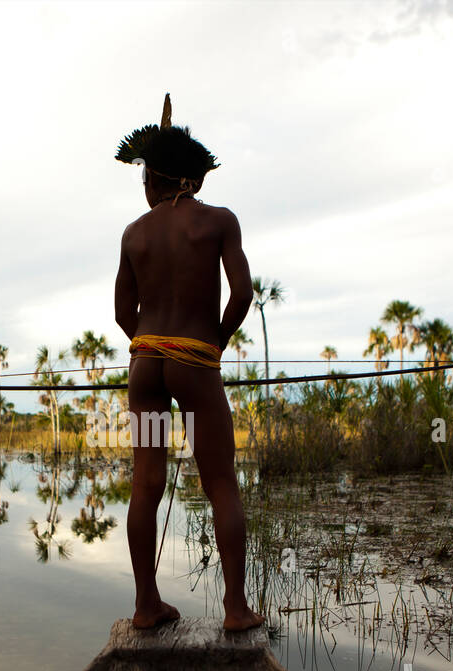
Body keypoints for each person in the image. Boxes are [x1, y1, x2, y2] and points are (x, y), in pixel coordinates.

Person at [112, 94, 266, 632]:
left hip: (144, 366)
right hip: (195, 364)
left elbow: (120, 313)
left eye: (146, 180)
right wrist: (210, 345)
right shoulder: (219, 222)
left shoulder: (133, 234)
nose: (144, 189)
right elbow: (242, 293)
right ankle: (235, 609)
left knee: (144, 483)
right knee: (221, 483)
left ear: (157, 180)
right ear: (193, 181)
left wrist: (153, 346)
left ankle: (145, 606)